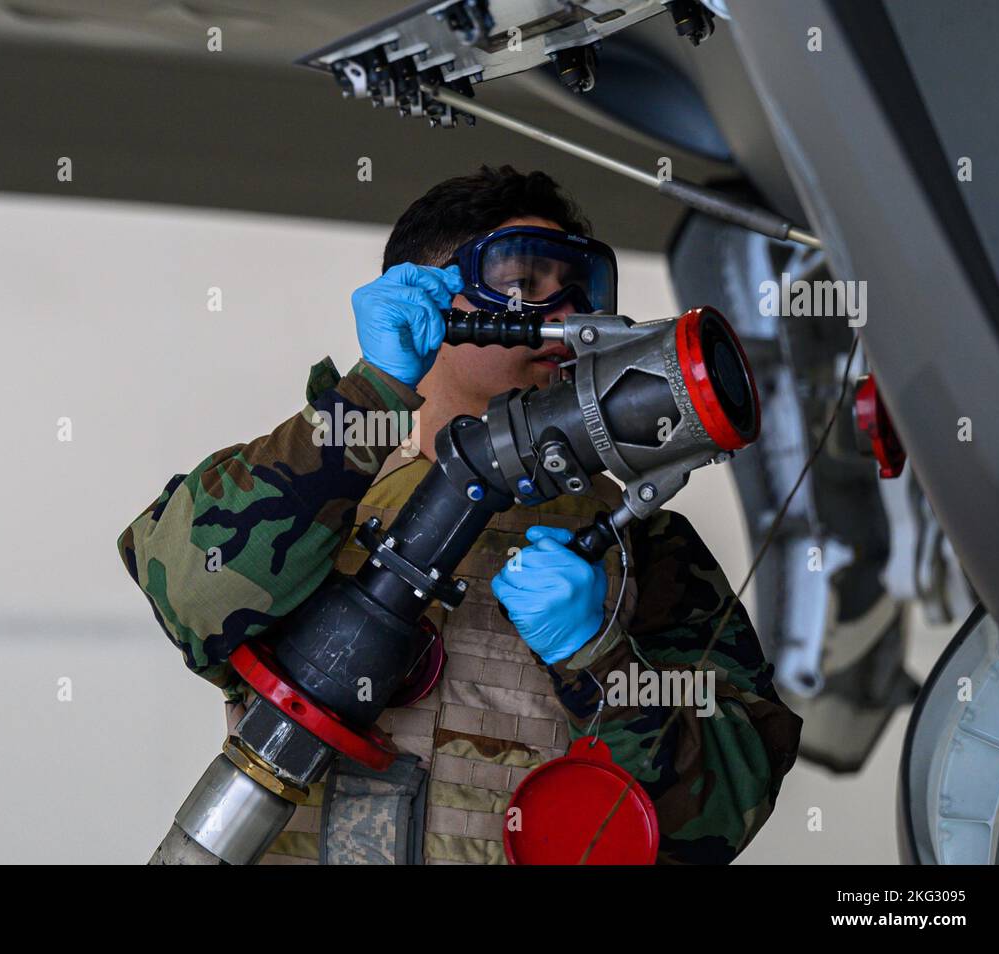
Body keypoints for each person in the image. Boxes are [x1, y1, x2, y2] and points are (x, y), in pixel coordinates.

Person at [119, 165, 802, 865]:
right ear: (431, 298)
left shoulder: (641, 541)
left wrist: (598, 658)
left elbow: (723, 811)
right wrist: (371, 393)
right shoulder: (324, 487)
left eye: (579, 291)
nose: (563, 316)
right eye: (523, 284)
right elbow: (195, 592)